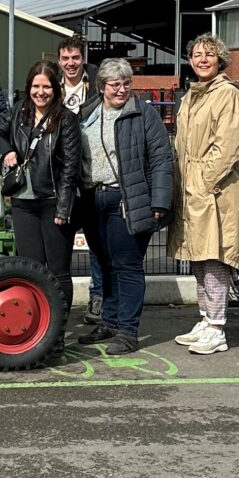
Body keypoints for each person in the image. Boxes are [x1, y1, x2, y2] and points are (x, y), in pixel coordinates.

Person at [77, 57, 174, 354]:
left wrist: (159, 201)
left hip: (127, 200)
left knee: (127, 265)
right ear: (102, 87)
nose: (121, 89)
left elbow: (161, 159)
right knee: (104, 263)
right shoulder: (87, 113)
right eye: (114, 84)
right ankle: (108, 320)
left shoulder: (144, 115)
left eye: (126, 83)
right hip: (93, 198)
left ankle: (128, 331)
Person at [167, 35, 239, 358]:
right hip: (191, 187)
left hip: (214, 191)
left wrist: (202, 180)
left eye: (209, 55)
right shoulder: (190, 96)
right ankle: (205, 318)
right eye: (197, 55)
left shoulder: (227, 95)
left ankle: (217, 326)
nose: (202, 60)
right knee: (198, 256)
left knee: (215, 257)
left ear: (221, 60)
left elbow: (229, 146)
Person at [0, 59, 81, 304]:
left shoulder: (66, 119)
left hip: (53, 202)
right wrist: (6, 151)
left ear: (56, 89)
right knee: (30, 268)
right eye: (35, 86)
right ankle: (38, 329)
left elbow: (70, 167)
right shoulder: (19, 111)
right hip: (23, 202)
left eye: (46, 87)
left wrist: (63, 208)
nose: (40, 92)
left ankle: (59, 328)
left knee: (58, 270)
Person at [57, 34, 101, 318]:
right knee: (60, 242)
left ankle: (98, 298)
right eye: (65, 58)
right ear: (59, 60)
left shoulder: (96, 84)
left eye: (75, 58)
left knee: (97, 241)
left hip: (92, 171)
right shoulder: (52, 86)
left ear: (83, 58)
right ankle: (57, 300)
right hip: (62, 175)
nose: (70, 63)